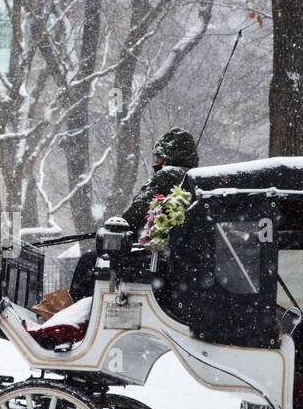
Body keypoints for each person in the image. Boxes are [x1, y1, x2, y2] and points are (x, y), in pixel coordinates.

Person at [60, 127, 200, 306]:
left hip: (157, 259)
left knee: (89, 262)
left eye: (158, 156)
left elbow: (135, 215)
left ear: (170, 156)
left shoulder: (167, 176)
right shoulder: (192, 180)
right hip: (175, 259)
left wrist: (118, 229)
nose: (154, 161)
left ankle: (79, 316)